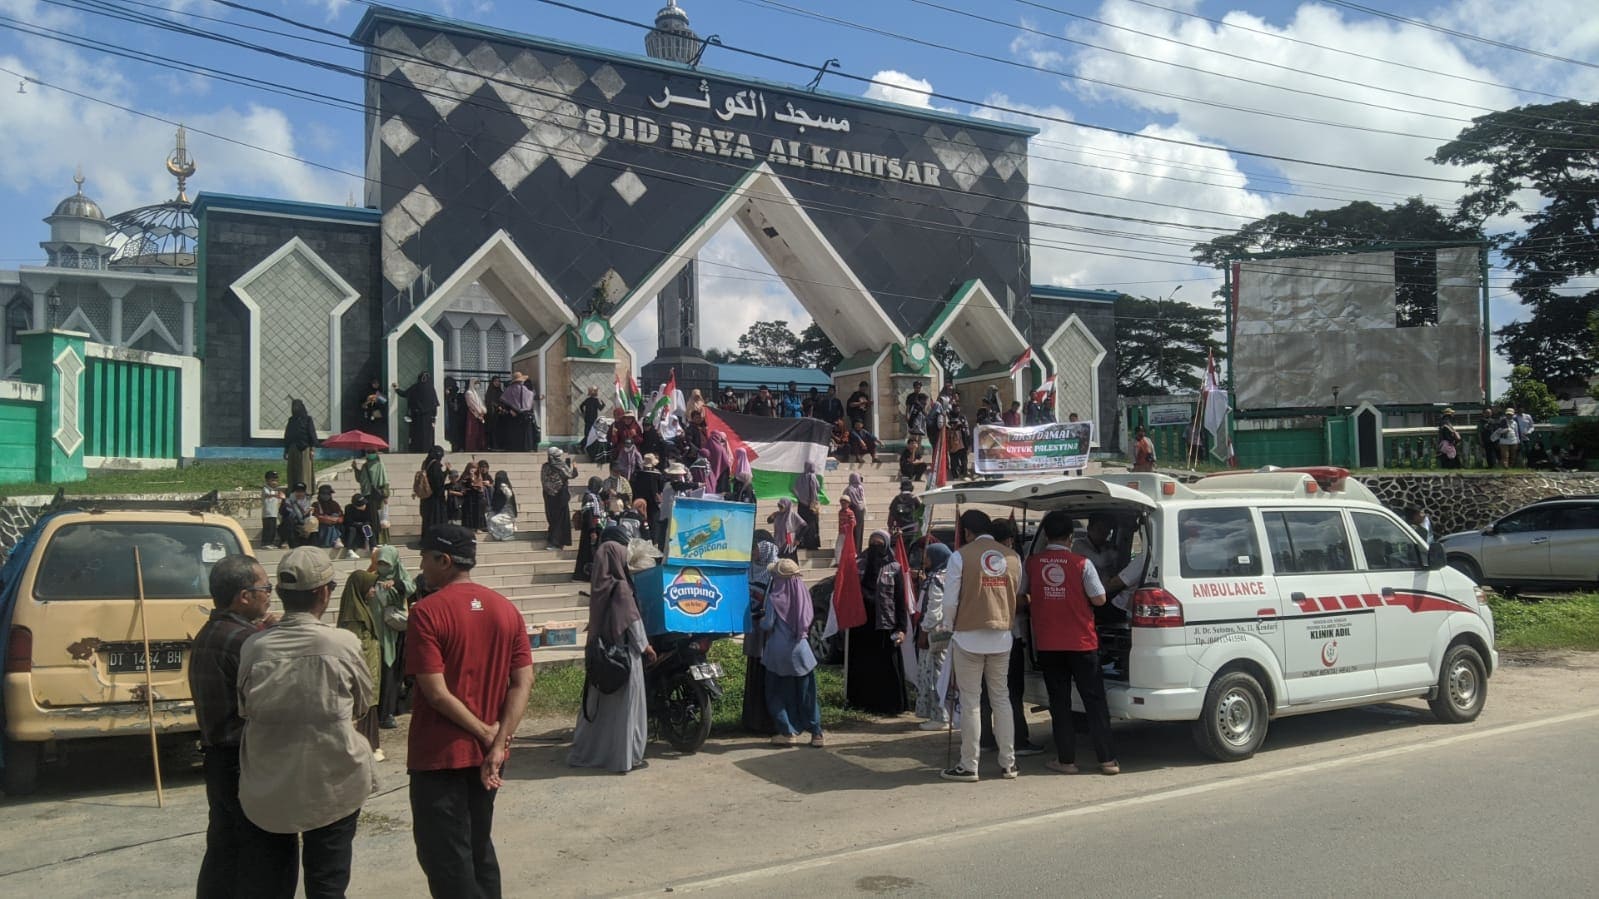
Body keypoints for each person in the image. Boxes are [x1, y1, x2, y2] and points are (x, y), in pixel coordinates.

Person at [237, 547, 374, 897]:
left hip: (269, 784)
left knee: (272, 882)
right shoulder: (342, 643)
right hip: (334, 781)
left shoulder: (254, 647)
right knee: (327, 883)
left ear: (281, 594)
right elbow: (362, 702)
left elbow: (243, 707)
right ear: (324, 592)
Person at [406, 525, 534, 898]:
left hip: (440, 756)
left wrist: (484, 734)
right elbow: (523, 682)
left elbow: (435, 692)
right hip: (488, 756)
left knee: (446, 858)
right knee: (478, 847)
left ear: (443, 561)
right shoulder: (506, 610)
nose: (421, 565)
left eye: (425, 557)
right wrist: (498, 743)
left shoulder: (427, 613)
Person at [192, 555, 280, 899]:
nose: (269, 595)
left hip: (218, 758)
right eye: (265, 589)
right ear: (243, 596)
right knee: (260, 854)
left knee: (224, 850)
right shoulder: (243, 641)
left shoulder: (215, 631)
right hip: (242, 758)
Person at [1022, 511, 1118, 775]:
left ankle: (1066, 761)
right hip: (1082, 642)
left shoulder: (1032, 563)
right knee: (1094, 701)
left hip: (1049, 644)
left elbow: (1022, 596)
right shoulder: (1082, 563)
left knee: (1060, 703)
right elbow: (1099, 598)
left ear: (1047, 535)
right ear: (1070, 537)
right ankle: (1107, 761)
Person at [938, 509, 1020, 782]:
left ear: (967, 532)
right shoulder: (1012, 557)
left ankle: (969, 765)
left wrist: (948, 625)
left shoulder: (960, 556)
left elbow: (950, 601)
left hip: (968, 636)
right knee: (1001, 698)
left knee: (971, 701)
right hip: (1002, 636)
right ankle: (1009, 763)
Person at [570, 531, 656, 773]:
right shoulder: (621, 587)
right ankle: (626, 757)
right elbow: (632, 621)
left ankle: (591, 752)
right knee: (626, 710)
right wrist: (646, 646)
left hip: (602, 657)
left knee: (600, 709)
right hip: (624, 657)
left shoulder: (600, 588)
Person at [978, 519, 1040, 757]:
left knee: (984, 692)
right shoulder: (1013, 561)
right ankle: (1018, 740)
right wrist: (1030, 601)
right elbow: (1018, 599)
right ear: (1009, 539)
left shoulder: (976, 562)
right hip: (1008, 634)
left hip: (980, 633)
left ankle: (985, 738)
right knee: (1011, 692)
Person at [336, 550, 401, 762]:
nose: (373, 591)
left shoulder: (363, 610)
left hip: (370, 676)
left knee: (370, 713)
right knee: (362, 715)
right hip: (363, 678)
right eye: (370, 587)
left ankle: (372, 747)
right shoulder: (354, 618)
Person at [763, 557, 824, 747]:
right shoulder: (804, 595)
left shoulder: (775, 598)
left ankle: (788, 732)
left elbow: (767, 624)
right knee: (807, 695)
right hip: (801, 652)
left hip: (778, 654)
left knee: (777, 694)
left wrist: (758, 620)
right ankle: (816, 734)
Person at [846, 530, 909, 715]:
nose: (875, 546)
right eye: (872, 542)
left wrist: (902, 628)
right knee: (864, 664)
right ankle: (862, 703)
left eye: (879, 543)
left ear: (887, 545)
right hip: (862, 625)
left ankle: (890, 706)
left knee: (887, 666)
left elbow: (900, 599)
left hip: (885, 624)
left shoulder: (894, 568)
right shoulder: (859, 565)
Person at [371, 546, 415, 730]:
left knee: (394, 672)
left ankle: (390, 710)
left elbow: (411, 588)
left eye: (386, 563)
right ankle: (380, 712)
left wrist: (395, 583)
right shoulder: (371, 580)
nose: (382, 567)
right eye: (380, 563)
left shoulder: (400, 578)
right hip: (376, 633)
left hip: (396, 632)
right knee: (382, 671)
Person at [913, 543, 954, 731]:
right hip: (947, 631)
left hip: (935, 633)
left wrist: (924, 630)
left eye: (928, 556)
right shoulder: (951, 576)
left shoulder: (937, 579)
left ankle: (940, 716)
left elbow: (934, 610)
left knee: (933, 674)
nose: (924, 560)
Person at [742, 538, 779, 736]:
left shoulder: (775, 573)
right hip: (754, 629)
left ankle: (770, 721)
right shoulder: (750, 569)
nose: (754, 553)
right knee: (754, 670)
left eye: (756, 549)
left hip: (769, 632)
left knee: (768, 674)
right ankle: (752, 721)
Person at [536, 448, 576, 550]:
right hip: (559, 496)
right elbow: (571, 475)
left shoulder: (545, 466)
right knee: (559, 520)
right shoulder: (561, 466)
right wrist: (574, 467)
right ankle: (556, 542)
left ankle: (555, 541)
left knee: (553, 519)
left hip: (549, 496)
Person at [396, 373, 440, 453]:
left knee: (416, 434)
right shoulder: (431, 389)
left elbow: (404, 394)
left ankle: (416, 449)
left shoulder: (415, 387)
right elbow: (434, 405)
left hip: (416, 416)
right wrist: (434, 418)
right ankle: (427, 449)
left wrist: (396, 389)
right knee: (427, 435)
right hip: (428, 417)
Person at [572, 477, 605, 581]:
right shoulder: (589, 497)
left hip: (597, 528)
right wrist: (592, 531)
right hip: (590, 530)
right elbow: (589, 514)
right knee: (588, 553)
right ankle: (585, 575)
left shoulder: (596, 496)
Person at [356, 452, 391, 546]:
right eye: (368, 452)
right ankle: (371, 541)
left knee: (380, 519)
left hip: (378, 496)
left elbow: (384, 480)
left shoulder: (379, 465)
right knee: (369, 519)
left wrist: (386, 495)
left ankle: (382, 541)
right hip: (367, 496)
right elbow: (361, 479)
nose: (370, 454)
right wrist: (355, 468)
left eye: (372, 452)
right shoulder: (365, 466)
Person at [282, 398, 317, 491]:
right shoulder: (291, 420)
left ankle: (306, 490)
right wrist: (286, 450)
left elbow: (312, 433)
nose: (295, 408)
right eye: (293, 406)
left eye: (297, 406)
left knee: (304, 471)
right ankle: (292, 489)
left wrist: (312, 449)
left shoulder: (308, 419)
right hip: (293, 448)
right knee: (293, 470)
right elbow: (287, 435)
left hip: (305, 448)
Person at [498, 372, 539, 451]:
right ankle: (525, 448)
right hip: (524, 415)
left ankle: (513, 448)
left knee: (513, 433)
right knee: (524, 434)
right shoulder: (526, 390)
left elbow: (502, 403)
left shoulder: (509, 390)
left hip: (512, 415)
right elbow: (531, 397)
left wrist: (510, 410)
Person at [419, 447, 449, 535]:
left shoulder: (426, 463)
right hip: (435, 499)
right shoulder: (435, 465)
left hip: (427, 497)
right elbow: (438, 482)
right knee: (436, 519)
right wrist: (447, 472)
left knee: (428, 520)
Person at [794, 461, 822, 551]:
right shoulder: (812, 477)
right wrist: (813, 503)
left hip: (801, 505)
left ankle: (801, 543)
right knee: (812, 525)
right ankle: (811, 544)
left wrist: (801, 498)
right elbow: (815, 490)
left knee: (802, 524)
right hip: (810, 505)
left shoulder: (801, 477)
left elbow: (795, 489)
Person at [278, 482, 314, 549]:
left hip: (303, 522)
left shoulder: (307, 501)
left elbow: (307, 514)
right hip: (291, 523)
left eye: (302, 491)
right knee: (289, 519)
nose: (299, 493)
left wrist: (307, 513)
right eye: (297, 491)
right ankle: (285, 541)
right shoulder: (287, 500)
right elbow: (282, 512)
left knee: (313, 521)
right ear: (294, 492)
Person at [341, 494, 372, 559]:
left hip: (363, 526)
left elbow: (369, 519)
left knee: (367, 528)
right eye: (361, 505)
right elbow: (348, 521)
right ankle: (349, 550)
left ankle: (373, 547)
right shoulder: (349, 508)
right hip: (352, 526)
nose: (364, 506)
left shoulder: (368, 507)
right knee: (352, 529)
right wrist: (359, 524)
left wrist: (365, 525)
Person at [313, 484, 344, 550]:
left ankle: (337, 540)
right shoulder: (316, 504)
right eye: (324, 494)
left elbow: (341, 516)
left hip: (335, 524)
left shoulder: (334, 504)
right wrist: (327, 519)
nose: (326, 496)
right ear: (320, 494)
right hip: (322, 526)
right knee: (330, 527)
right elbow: (316, 516)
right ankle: (336, 540)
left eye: (328, 494)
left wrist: (336, 519)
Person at [842, 472, 866, 553]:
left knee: (852, 531)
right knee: (859, 531)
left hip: (852, 510)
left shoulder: (849, 489)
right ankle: (858, 549)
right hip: (861, 511)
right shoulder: (860, 487)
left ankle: (852, 549)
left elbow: (845, 499)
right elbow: (863, 499)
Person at [260, 470, 285, 550]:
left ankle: (270, 542)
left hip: (274, 513)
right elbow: (268, 494)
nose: (274, 482)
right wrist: (278, 494)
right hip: (267, 513)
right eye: (272, 480)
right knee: (267, 528)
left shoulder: (275, 489)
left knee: (272, 529)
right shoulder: (266, 488)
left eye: (276, 480)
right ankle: (265, 543)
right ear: (267, 480)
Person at [464, 379, 488, 452]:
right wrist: (479, 412)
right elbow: (473, 404)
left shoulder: (476, 393)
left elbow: (480, 403)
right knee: (472, 431)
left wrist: (483, 411)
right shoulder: (469, 393)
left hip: (479, 414)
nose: (477, 385)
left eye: (478, 383)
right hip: (473, 413)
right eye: (475, 383)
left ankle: (479, 446)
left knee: (479, 431)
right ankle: (471, 447)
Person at [443, 378, 467, 452]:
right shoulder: (446, 396)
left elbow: (455, 407)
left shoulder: (457, 396)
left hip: (455, 419)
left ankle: (457, 447)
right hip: (451, 418)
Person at [483, 376, 504, 451]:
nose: (497, 383)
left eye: (499, 381)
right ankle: (492, 445)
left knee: (498, 430)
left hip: (499, 415)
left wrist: (501, 407)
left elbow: (503, 401)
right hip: (492, 415)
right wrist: (497, 406)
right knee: (492, 430)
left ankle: (498, 445)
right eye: (496, 381)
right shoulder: (490, 392)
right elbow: (490, 401)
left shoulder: (500, 392)